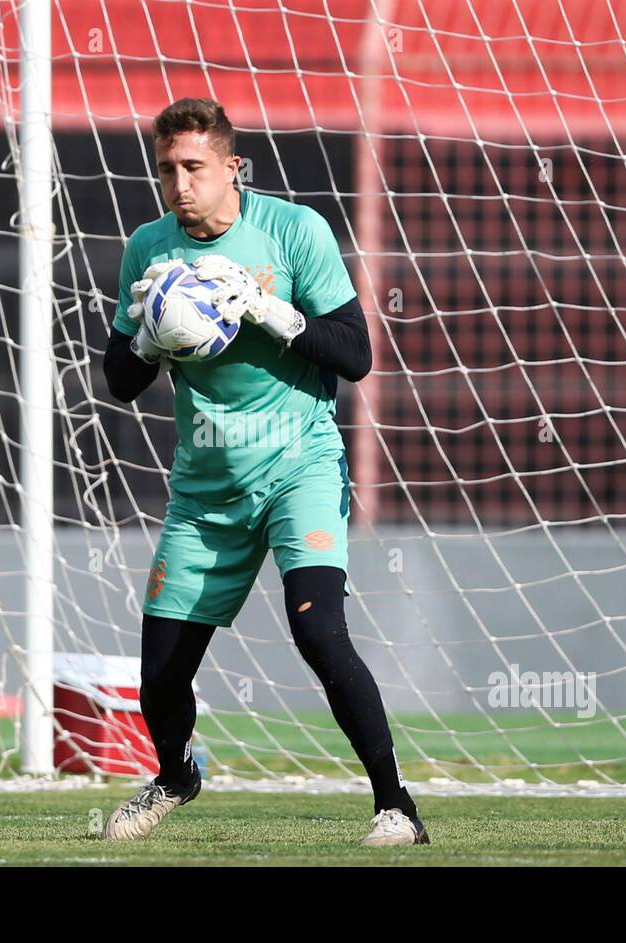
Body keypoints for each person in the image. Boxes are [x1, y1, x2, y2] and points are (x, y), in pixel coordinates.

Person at [100, 97, 429, 847]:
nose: (180, 184)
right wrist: (147, 339)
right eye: (167, 170)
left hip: (298, 465)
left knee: (319, 632)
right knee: (160, 677)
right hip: (206, 489)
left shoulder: (294, 230)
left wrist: (266, 308)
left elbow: (355, 354)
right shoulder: (149, 248)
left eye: (195, 167)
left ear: (232, 168)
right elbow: (118, 379)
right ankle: (176, 776)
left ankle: (396, 808)